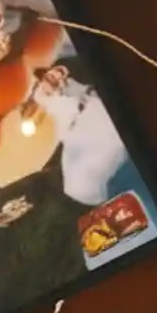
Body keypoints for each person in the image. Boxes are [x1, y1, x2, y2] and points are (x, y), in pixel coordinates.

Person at [29, 58, 129, 204]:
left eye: (52, 77)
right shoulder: (47, 98)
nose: (52, 79)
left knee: (109, 145)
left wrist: (74, 89)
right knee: (75, 182)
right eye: (47, 79)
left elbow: (86, 89)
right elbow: (44, 99)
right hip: (76, 130)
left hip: (92, 114)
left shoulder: (71, 77)